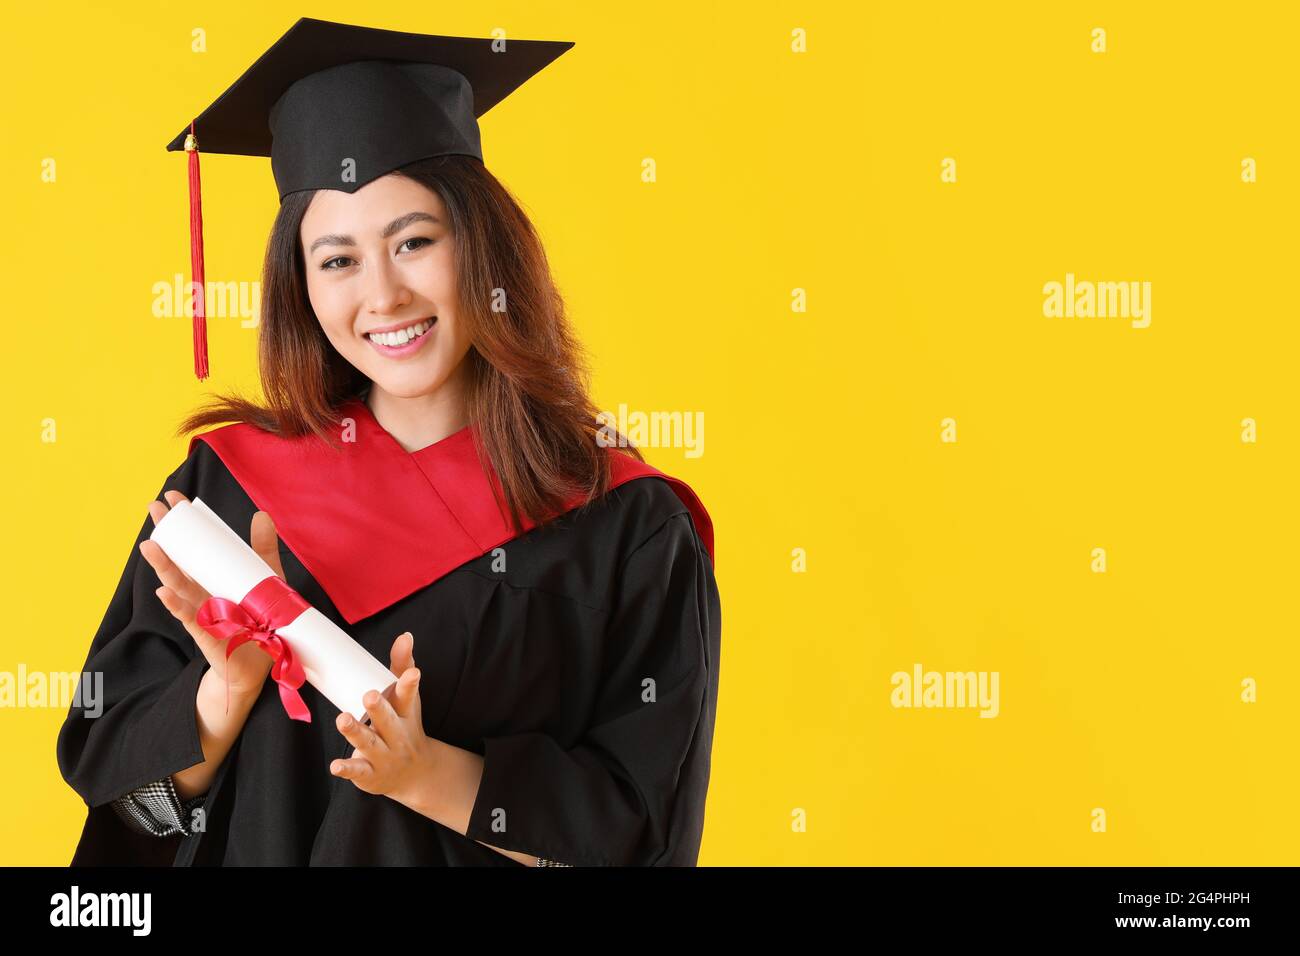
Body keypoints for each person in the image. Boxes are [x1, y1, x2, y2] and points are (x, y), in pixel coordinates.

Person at [55, 17, 721, 867]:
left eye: (414, 241)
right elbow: (134, 823)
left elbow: (642, 835)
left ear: (483, 248)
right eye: (337, 260)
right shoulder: (225, 496)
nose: (384, 295)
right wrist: (223, 692)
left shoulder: (621, 524)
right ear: (300, 286)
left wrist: (428, 776)